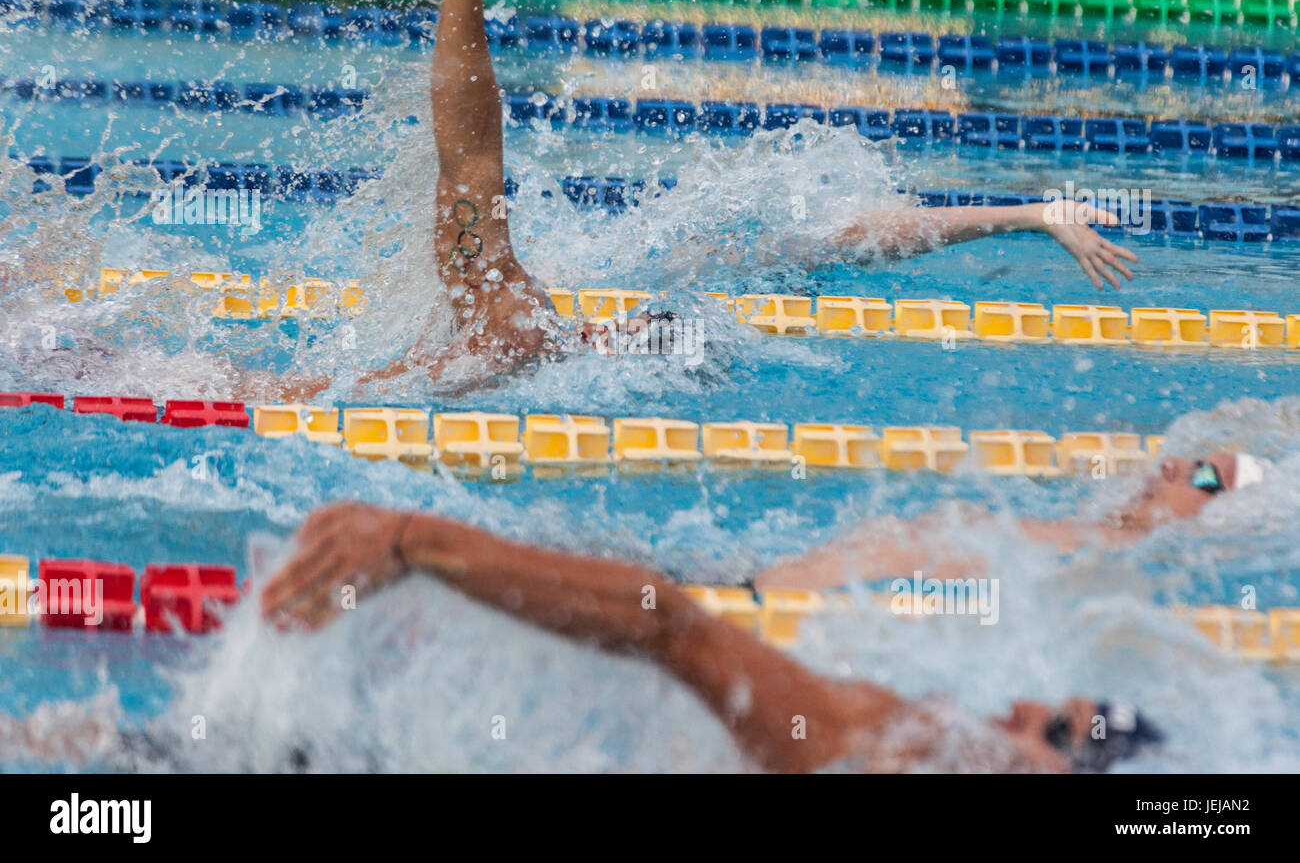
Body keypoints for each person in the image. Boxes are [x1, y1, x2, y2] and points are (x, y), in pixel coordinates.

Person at [243, 0, 1132, 401]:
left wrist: (1034, 213)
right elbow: (469, 160)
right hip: (268, 393)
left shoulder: (523, 334)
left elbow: (852, 236)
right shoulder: (514, 330)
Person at [254, 500, 1162, 773]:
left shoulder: (885, 760)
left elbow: (669, 628)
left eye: (1052, 732)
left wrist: (418, 542)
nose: (1022, 706)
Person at [756, 452, 1271, 590]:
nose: (1173, 464)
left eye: (1203, 477)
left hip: (776, 602)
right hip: (773, 581)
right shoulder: (1092, 533)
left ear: (1223, 518)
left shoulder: (1121, 557)